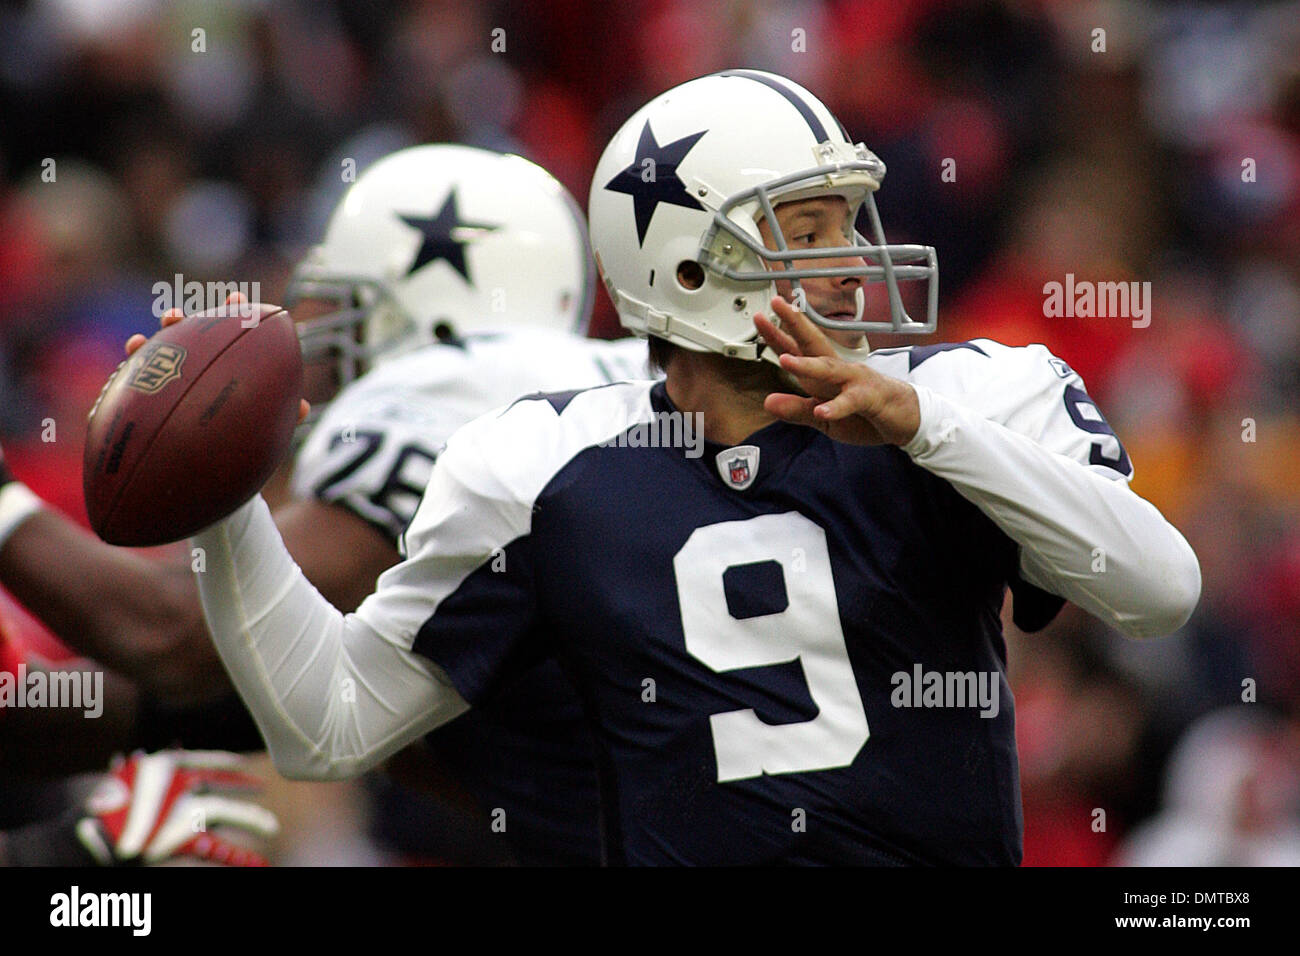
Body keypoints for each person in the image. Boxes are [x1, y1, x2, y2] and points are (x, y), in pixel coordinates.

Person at [184, 70, 1201, 865]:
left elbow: (1160, 589)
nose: (849, 259)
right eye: (807, 229)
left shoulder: (975, 394)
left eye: (849, 220)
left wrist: (928, 429)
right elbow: (328, 721)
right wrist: (222, 504)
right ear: (684, 266)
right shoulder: (539, 463)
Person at [0, 144, 647, 864]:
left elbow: (173, 636)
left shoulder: (450, 399)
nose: (319, 344)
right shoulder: (614, 393)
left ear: (425, 315)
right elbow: (191, 693)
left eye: (343, 308)